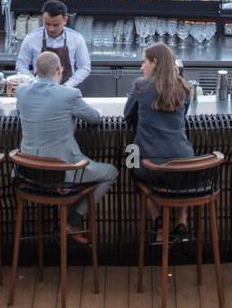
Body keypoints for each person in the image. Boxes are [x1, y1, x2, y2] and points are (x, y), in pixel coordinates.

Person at [15, 50, 116, 243]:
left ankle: (64, 223)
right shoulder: (70, 95)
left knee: (70, 174)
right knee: (110, 172)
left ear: (36, 71)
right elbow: (94, 118)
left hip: (27, 174)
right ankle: (73, 221)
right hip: (62, 174)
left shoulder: (21, 91)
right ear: (59, 71)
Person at [124, 42, 195, 242]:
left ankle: (157, 219)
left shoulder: (140, 85)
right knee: (182, 173)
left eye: (143, 62)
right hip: (185, 164)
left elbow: (128, 116)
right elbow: (183, 118)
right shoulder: (184, 86)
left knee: (131, 162)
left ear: (154, 63)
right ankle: (182, 220)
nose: (141, 67)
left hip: (150, 167)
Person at [14, 0, 91, 89]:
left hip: (66, 91)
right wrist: (34, 83)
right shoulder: (31, 38)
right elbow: (21, 65)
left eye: (56, 25)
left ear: (65, 20)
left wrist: (67, 86)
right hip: (39, 91)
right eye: (47, 24)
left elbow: (84, 67)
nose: (51, 29)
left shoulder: (76, 39)